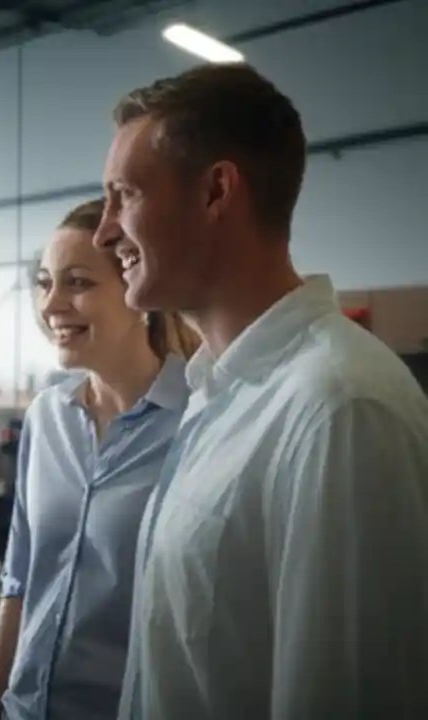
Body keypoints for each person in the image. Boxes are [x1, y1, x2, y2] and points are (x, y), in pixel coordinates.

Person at [92, 63, 428, 720]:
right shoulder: (219, 393)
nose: (105, 231)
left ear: (216, 190)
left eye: (124, 195)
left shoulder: (337, 409)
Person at [0, 198, 199, 720]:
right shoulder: (46, 416)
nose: (52, 304)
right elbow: (20, 577)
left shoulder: (200, 422)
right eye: (45, 282)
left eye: (78, 282)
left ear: (140, 291)